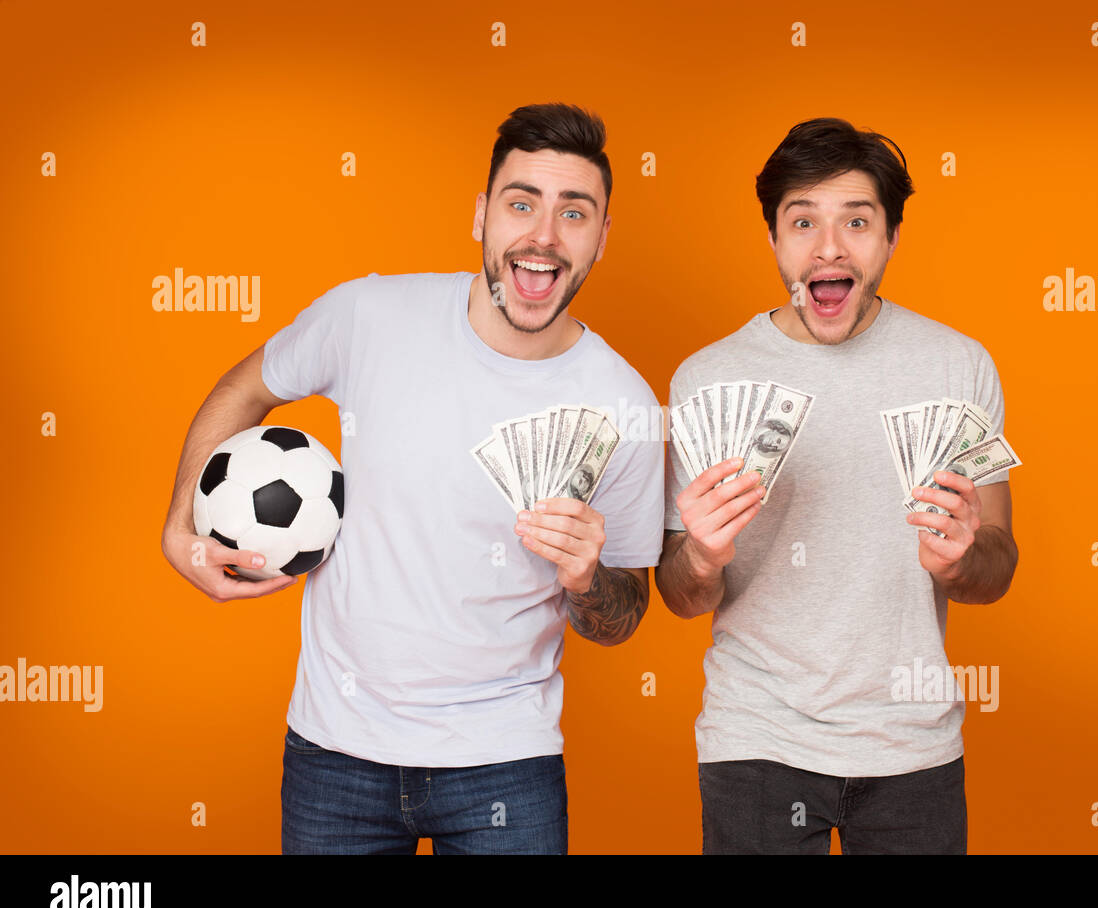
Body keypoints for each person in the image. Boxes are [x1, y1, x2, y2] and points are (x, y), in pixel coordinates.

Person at [160, 103, 664, 854]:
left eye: (575, 213)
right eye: (521, 203)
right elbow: (245, 388)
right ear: (482, 215)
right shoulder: (369, 315)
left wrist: (589, 577)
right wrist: (181, 528)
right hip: (336, 751)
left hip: (505, 762)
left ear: (602, 236)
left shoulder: (624, 402)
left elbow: (623, 615)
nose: (544, 236)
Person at [654, 117, 1018, 855]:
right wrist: (700, 554)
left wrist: (960, 561)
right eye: (803, 222)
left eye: (857, 220)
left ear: (890, 238)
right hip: (756, 738)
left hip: (912, 744)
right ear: (774, 240)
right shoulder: (705, 379)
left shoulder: (958, 367)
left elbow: (998, 564)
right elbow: (678, 594)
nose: (829, 247)